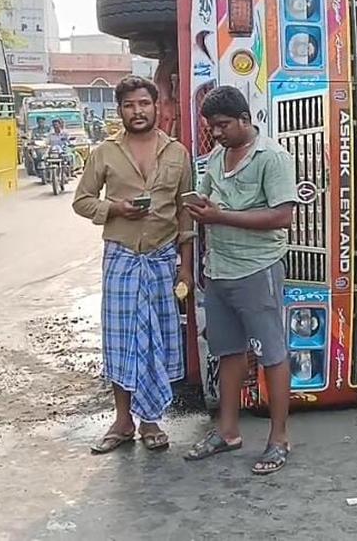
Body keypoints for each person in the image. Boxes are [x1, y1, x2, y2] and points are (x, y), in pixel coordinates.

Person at [72, 75, 194, 454]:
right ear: (120, 110)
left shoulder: (177, 153)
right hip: (121, 258)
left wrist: (185, 267)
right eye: (129, 105)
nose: (137, 111)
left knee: (157, 341)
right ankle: (123, 422)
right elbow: (82, 200)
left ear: (157, 106)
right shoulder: (104, 153)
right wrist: (115, 209)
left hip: (161, 259)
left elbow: (186, 214)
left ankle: (152, 422)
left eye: (143, 103)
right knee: (122, 341)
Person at [183, 86, 298, 475]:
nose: (216, 133)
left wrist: (220, 217)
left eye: (222, 126)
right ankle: (227, 432)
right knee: (228, 352)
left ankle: (278, 439)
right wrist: (198, 210)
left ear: (245, 120)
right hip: (219, 271)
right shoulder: (217, 157)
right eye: (211, 127)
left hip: (258, 269)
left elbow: (283, 216)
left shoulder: (273, 157)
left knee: (272, 354)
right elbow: (205, 200)